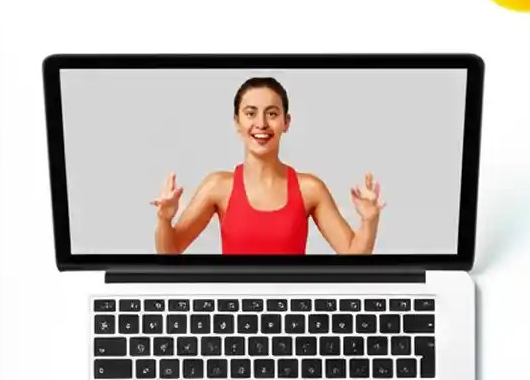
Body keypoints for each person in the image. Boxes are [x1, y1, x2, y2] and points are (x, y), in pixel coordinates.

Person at [151, 77, 384, 255]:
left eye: (272, 114)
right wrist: (164, 219)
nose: (261, 124)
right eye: (250, 113)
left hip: (292, 311)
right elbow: (170, 253)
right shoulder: (218, 186)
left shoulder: (310, 189)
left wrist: (369, 220)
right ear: (237, 122)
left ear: (286, 122)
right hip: (235, 310)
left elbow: (353, 254)